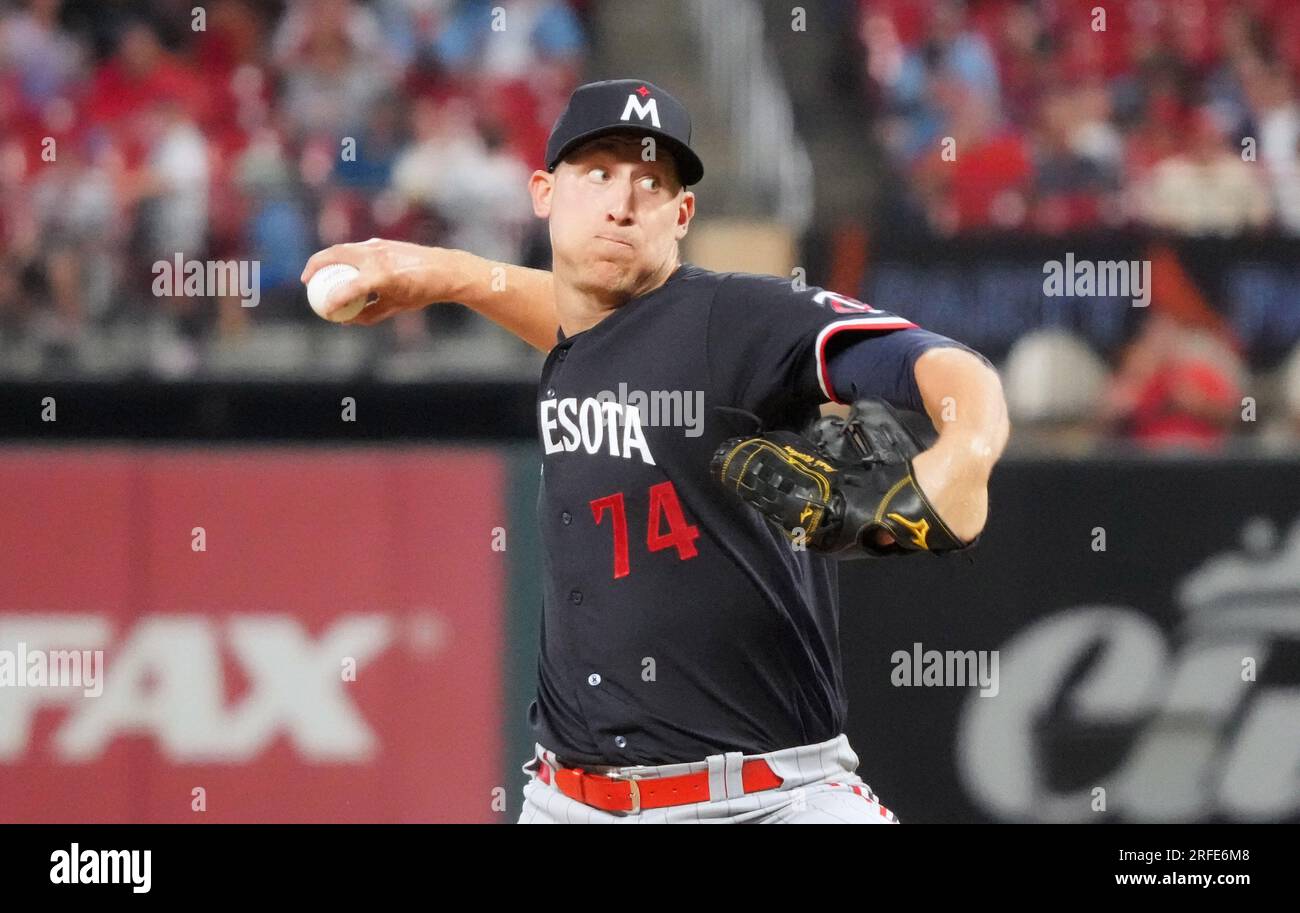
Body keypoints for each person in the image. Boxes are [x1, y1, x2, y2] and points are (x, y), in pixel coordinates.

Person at [302, 79, 1010, 823]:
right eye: (598, 173)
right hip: (566, 802)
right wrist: (449, 274)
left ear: (682, 214)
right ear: (544, 193)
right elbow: (591, 333)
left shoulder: (735, 320)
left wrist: (965, 451)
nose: (622, 203)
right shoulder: (588, 334)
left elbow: (938, 360)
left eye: (651, 182)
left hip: (770, 801)